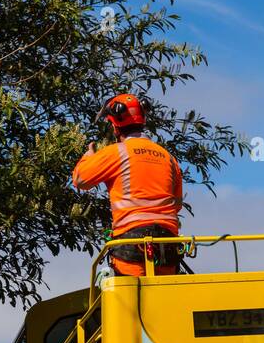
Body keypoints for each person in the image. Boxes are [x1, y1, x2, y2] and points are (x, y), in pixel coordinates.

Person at [71, 93, 183, 276]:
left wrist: (88, 156)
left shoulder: (116, 153)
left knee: (129, 302)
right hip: (168, 248)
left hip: (131, 247)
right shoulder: (168, 158)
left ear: (115, 125)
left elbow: (80, 180)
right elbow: (176, 205)